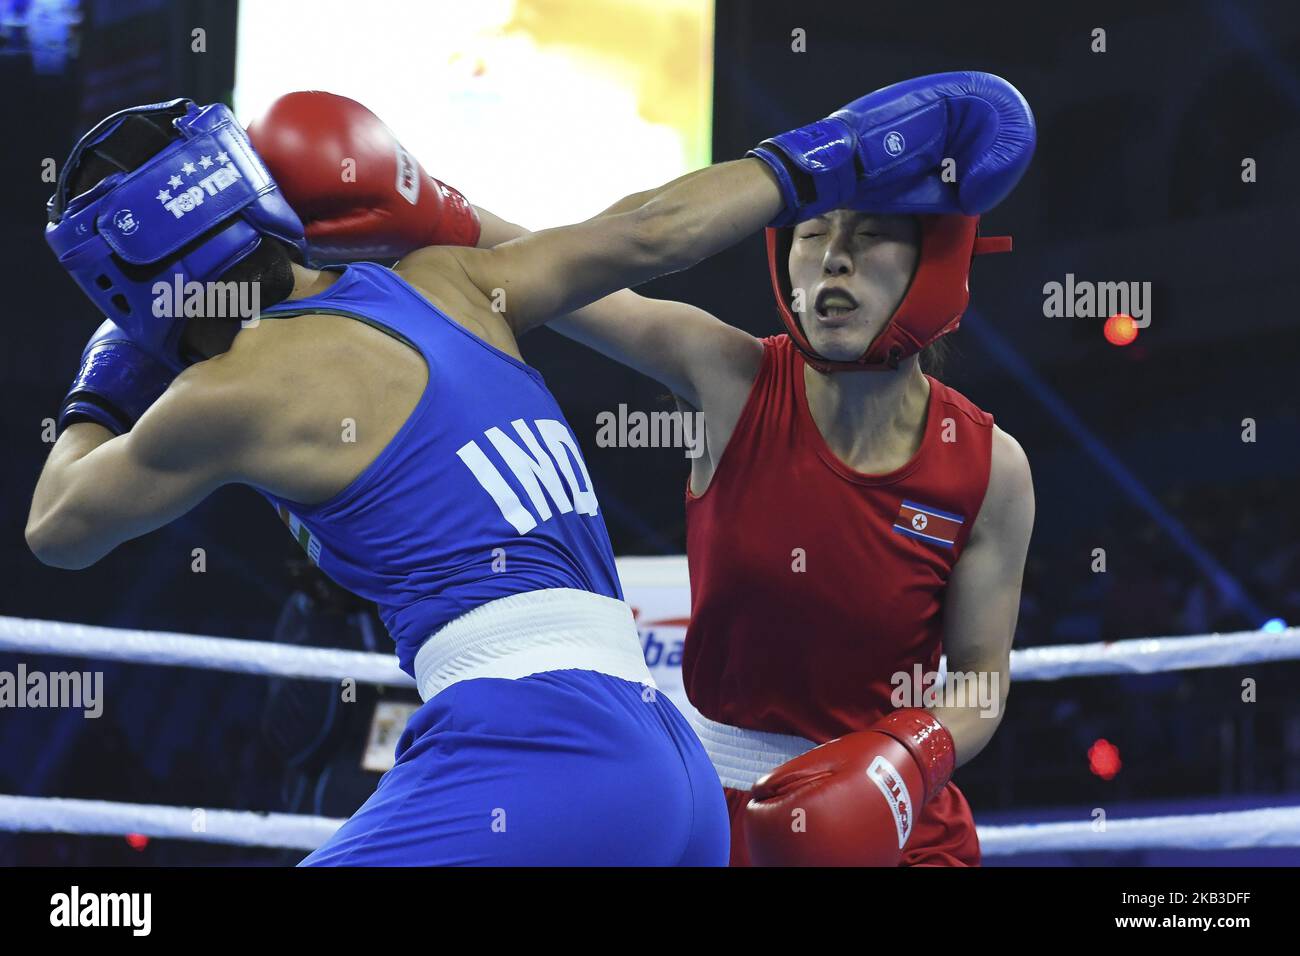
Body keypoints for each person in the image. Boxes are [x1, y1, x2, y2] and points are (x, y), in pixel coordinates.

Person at [254, 70, 1036, 865]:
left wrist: (906, 761)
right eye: (812, 236)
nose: (833, 260)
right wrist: (429, 206)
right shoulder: (730, 377)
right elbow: (565, 280)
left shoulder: (987, 466)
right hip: (717, 813)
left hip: (907, 828)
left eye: (868, 237)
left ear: (935, 260)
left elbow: (980, 681)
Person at [25, 92, 796, 865]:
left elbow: (58, 529)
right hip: (670, 767)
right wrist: (827, 156)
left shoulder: (226, 395)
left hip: (539, 750)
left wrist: (105, 383)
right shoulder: (451, 283)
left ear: (117, 279)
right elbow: (651, 230)